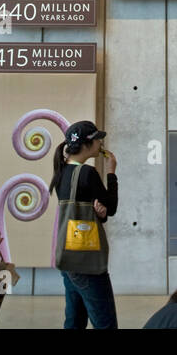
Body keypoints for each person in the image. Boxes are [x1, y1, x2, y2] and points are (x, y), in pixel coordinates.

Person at [49, 120, 119, 329]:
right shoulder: (87, 173)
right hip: (87, 260)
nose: (101, 143)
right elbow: (111, 206)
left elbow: (97, 211)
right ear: (87, 144)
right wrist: (111, 172)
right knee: (105, 323)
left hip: (69, 256)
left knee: (74, 320)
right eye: (98, 139)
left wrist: (101, 213)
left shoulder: (61, 173)